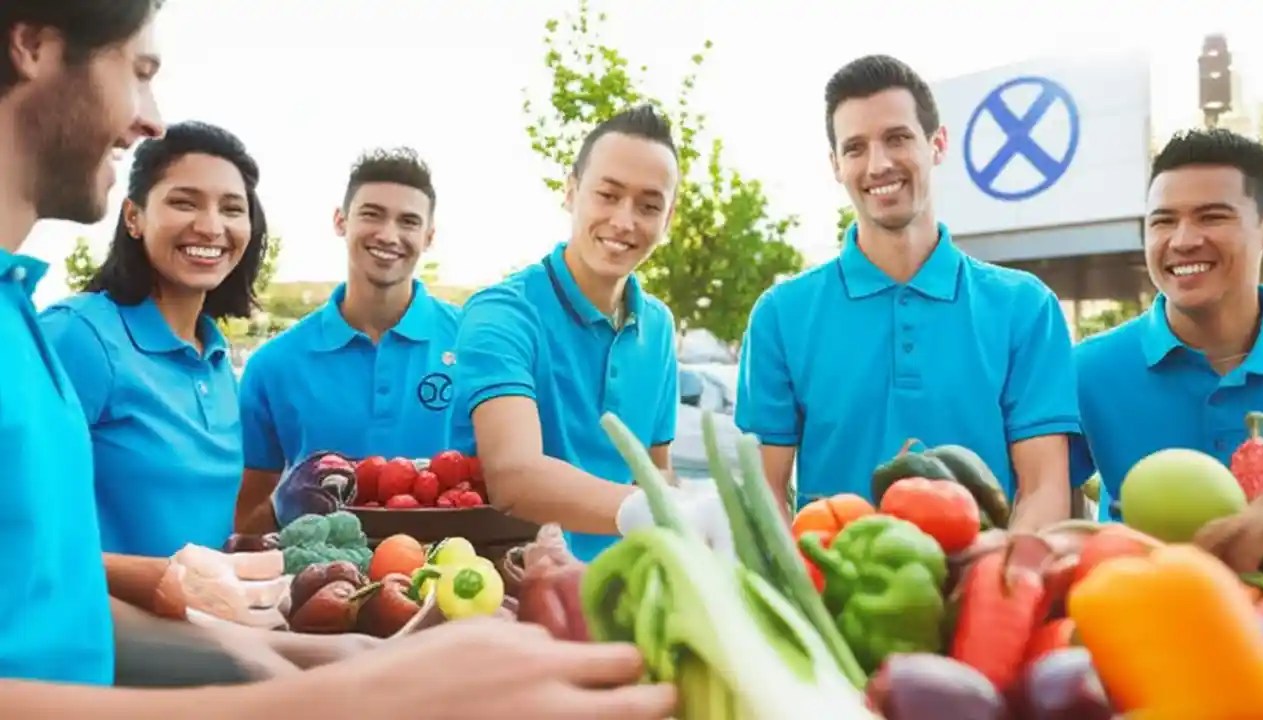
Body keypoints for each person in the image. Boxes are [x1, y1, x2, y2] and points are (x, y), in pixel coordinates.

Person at [0, 4, 675, 718]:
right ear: (33, 44)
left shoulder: (34, 320)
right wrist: (339, 695)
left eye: (233, 208)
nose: (150, 118)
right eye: (138, 73)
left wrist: (317, 657)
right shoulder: (81, 334)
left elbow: (63, 604)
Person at [734, 54, 1081, 531]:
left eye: (897, 138)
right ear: (836, 165)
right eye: (855, 148)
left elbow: (1044, 485)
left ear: (937, 144)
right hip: (830, 593)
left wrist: (1001, 578)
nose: (878, 164)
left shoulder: (1024, 307)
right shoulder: (780, 315)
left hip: (981, 592)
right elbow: (763, 490)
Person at [450, 104, 730, 562]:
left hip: (624, 591)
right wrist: (657, 511)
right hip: (513, 593)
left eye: (648, 206)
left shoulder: (657, 326)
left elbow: (654, 473)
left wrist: (694, 517)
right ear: (571, 190)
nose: (624, 221)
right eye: (608, 194)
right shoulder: (501, 314)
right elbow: (514, 478)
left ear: (669, 218)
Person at [39, 120, 265, 559]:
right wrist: (165, 584)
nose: (211, 226)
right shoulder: (78, 336)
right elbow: (20, 539)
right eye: (184, 203)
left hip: (211, 625)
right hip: (101, 628)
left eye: (233, 209)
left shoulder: (215, 357)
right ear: (133, 217)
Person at [235, 148, 459, 533]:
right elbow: (245, 523)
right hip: (320, 583)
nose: (389, 235)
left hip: (461, 580)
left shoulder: (477, 345)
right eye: (372, 214)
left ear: (429, 236)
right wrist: (282, 504)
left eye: (408, 221)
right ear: (341, 221)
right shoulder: (273, 365)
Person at [1071, 128, 1263, 520]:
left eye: (1212, 217)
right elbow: (1038, 509)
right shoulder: (1084, 371)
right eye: (1163, 221)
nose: (1182, 241)